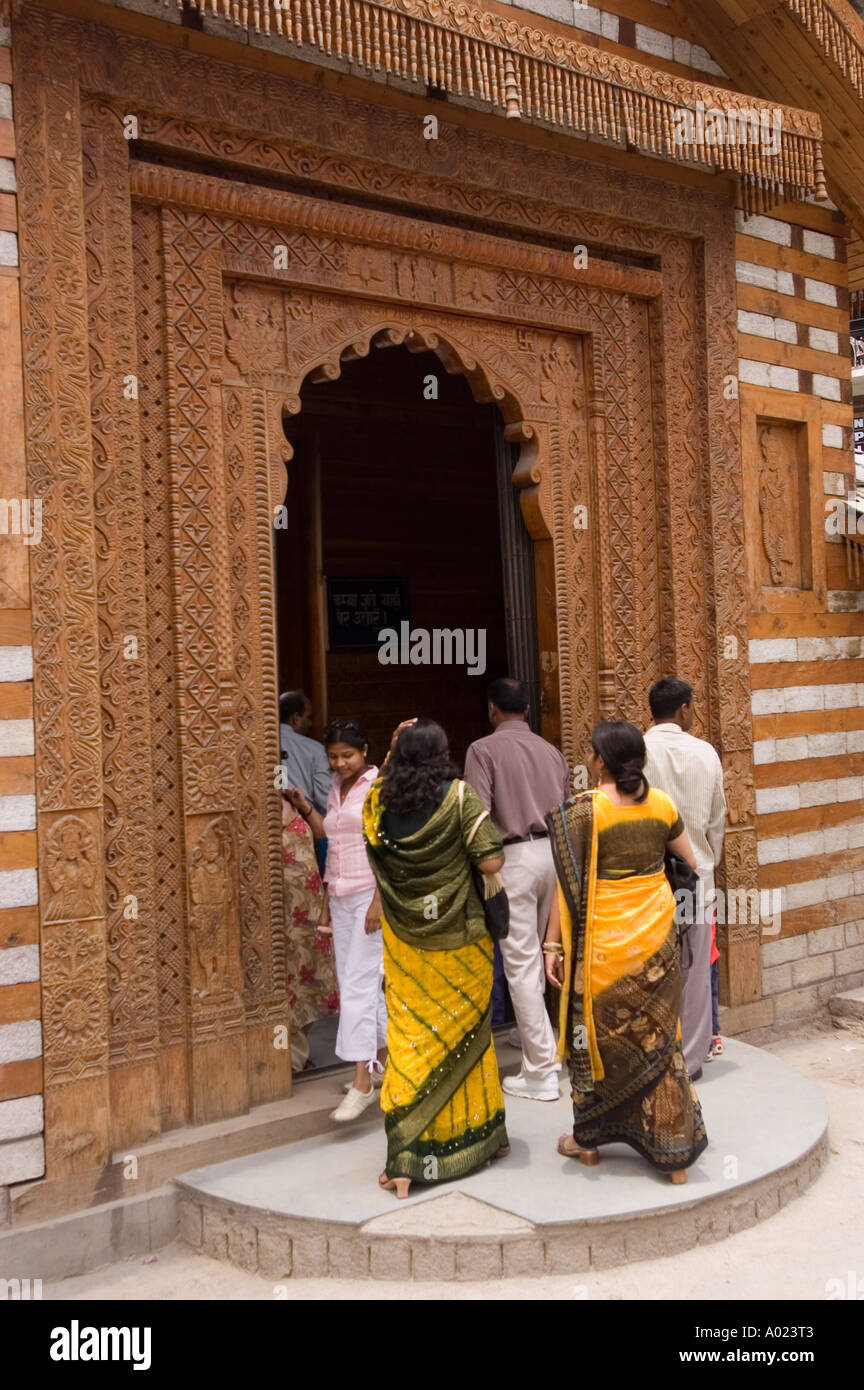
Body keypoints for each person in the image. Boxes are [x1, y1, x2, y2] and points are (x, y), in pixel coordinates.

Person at [543, 720, 708, 1183]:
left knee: (594, 1039)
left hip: (601, 952)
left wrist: (552, 944)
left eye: (591, 753)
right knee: (659, 1044)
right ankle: (673, 1152)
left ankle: (589, 1142)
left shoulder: (583, 811)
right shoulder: (661, 805)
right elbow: (689, 865)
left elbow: (566, 886)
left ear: (600, 760)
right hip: (656, 946)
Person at [363, 718, 510, 1198]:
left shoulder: (376, 802)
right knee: (468, 1034)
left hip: (405, 947)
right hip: (460, 942)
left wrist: (390, 754)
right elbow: (490, 860)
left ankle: (405, 1160)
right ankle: (482, 1138)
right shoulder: (459, 797)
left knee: (410, 1037)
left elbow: (375, 856)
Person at [464, 677, 570, 1101]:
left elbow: (477, 816)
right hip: (553, 855)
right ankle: (539, 1043)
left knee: (522, 964)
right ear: (527, 709)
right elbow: (565, 811)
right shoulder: (551, 751)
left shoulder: (482, 750)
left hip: (513, 860)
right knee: (545, 956)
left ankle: (542, 1071)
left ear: (493, 709)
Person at [285, 718, 386, 1122]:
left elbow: (386, 846)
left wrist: (380, 899)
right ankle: (382, 1066)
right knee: (359, 982)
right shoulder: (336, 787)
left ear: (365, 752)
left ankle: (362, 1081)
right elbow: (330, 833)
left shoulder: (378, 788)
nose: (341, 763)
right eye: (333, 757)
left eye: (348, 755)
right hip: (342, 894)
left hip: (368, 894)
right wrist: (305, 807)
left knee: (359, 985)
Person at [643, 677, 726, 1076]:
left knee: (649, 971)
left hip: (648, 884)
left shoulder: (637, 751)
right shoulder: (706, 753)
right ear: (685, 709)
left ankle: (652, 1053)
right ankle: (690, 1062)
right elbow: (716, 820)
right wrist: (707, 862)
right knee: (694, 975)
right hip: (697, 883)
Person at [279, 691, 332, 815]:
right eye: (308, 718)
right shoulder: (314, 749)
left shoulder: (262, 746)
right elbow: (325, 801)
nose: (310, 723)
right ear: (295, 719)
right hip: (307, 824)